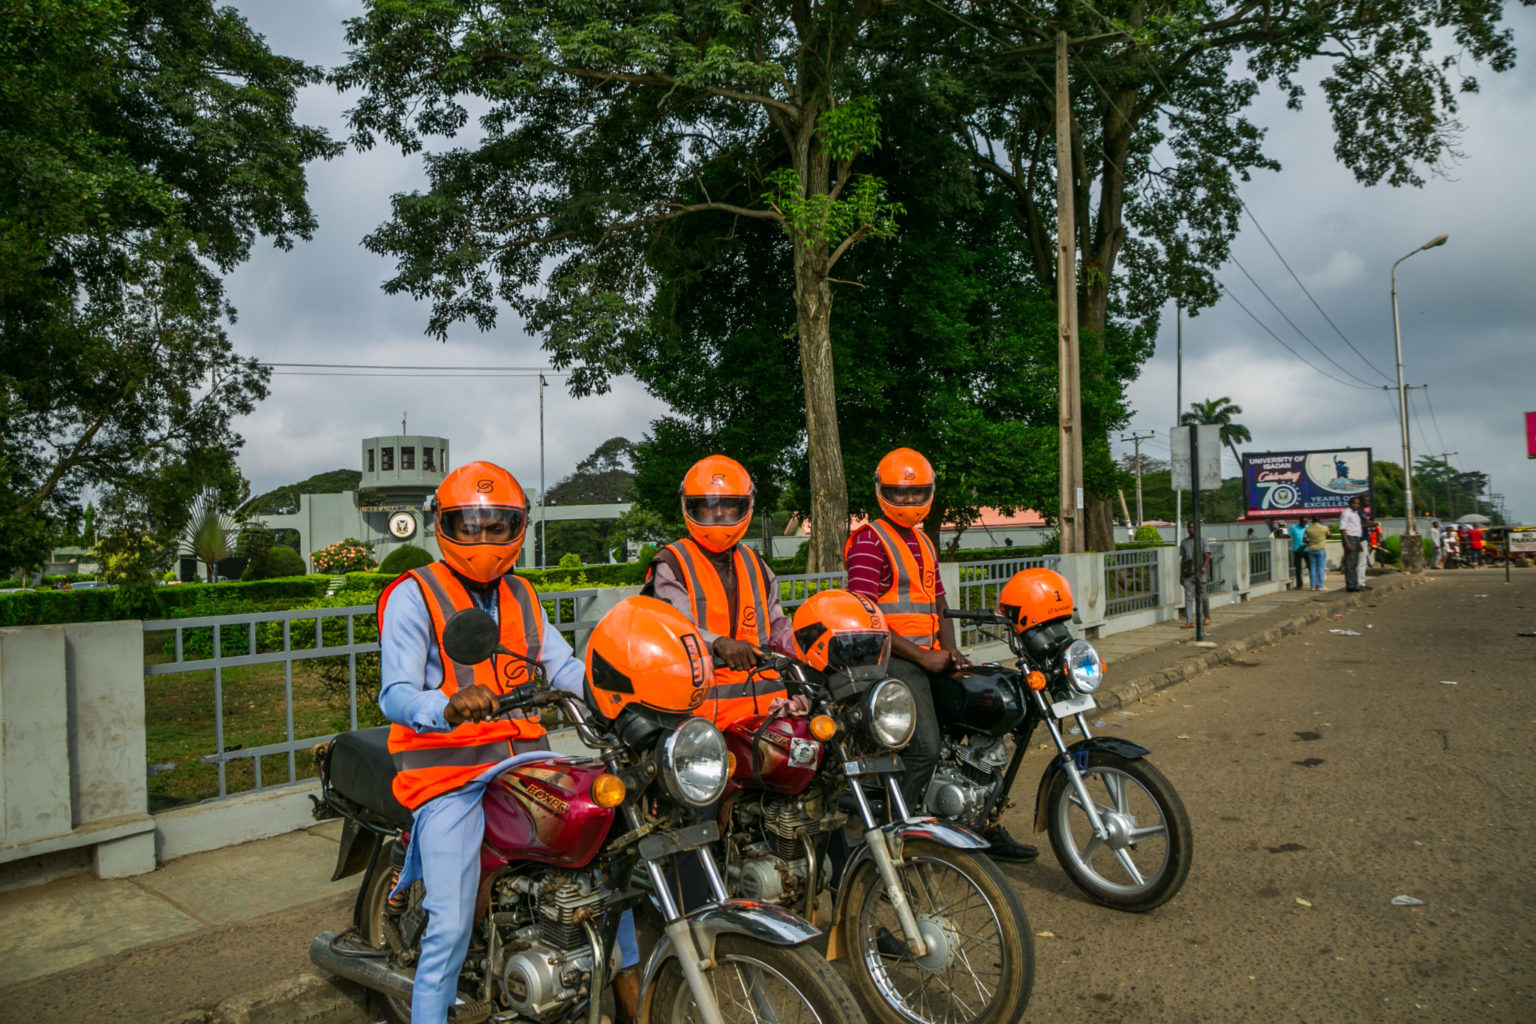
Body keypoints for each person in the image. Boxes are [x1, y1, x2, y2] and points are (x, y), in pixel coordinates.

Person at [377, 461, 638, 1024]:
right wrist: (443, 705)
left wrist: (622, 697)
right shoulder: (413, 594)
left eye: (498, 524)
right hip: (447, 775)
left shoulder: (521, 593)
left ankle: (625, 995)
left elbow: (563, 665)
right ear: (443, 526)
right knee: (448, 921)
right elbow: (394, 693)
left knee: (610, 860)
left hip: (524, 760)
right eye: (469, 524)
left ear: (517, 527)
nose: (485, 537)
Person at [844, 448, 1034, 862]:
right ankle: (899, 838)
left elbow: (940, 602)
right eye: (899, 493)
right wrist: (924, 658)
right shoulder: (869, 542)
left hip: (929, 655)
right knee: (924, 749)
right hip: (890, 659)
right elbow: (863, 617)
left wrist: (950, 650)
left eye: (917, 493)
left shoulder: (924, 540)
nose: (909, 502)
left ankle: (982, 820)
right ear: (881, 493)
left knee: (988, 719)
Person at [643, 455, 798, 727]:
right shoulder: (672, 563)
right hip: (700, 720)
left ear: (745, 508)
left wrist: (812, 642)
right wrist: (718, 643)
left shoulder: (756, 564)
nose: (717, 513)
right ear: (689, 507)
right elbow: (673, 633)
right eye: (706, 506)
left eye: (729, 507)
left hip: (768, 711)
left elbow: (777, 626)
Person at [1179, 520, 1212, 628]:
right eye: (1189, 527)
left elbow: (1207, 556)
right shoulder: (1184, 542)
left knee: (1203, 597)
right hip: (1188, 573)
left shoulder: (1202, 541)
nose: (1190, 529)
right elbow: (1183, 558)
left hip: (1200, 573)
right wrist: (1181, 574)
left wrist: (1203, 568)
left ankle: (1207, 616)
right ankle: (1189, 621)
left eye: (1192, 527)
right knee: (1188, 597)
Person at [1338, 496, 1367, 592]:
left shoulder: (1356, 514)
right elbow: (1342, 529)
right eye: (1354, 503)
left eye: (1358, 504)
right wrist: (1347, 543)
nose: (1356, 505)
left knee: (1355, 562)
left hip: (1356, 538)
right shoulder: (1346, 513)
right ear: (1350, 503)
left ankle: (1355, 584)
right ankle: (1350, 585)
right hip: (1349, 538)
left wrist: (1358, 543)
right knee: (1350, 563)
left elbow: (1357, 529)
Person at [1303, 516, 1329, 590]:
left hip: (1311, 549)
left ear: (1312, 521)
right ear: (1319, 520)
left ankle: (1313, 586)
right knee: (1321, 567)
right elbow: (1329, 535)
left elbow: (1304, 540)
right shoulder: (1324, 528)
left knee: (1312, 568)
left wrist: (1310, 542)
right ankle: (1320, 586)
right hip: (1321, 548)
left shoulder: (1308, 529)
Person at [1287, 519, 1307, 588]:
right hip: (1297, 550)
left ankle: (1313, 584)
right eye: (1303, 522)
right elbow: (1288, 536)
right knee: (1298, 568)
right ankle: (1299, 584)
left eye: (1306, 522)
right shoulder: (1294, 527)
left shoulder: (1307, 527)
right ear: (1300, 522)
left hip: (1306, 549)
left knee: (1311, 567)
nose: (1304, 524)